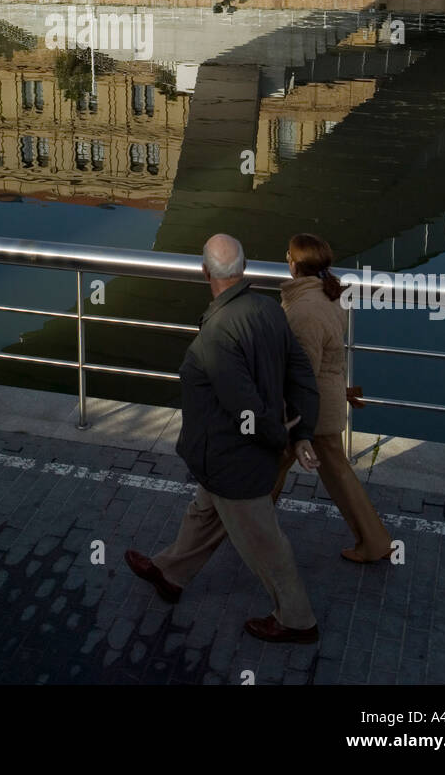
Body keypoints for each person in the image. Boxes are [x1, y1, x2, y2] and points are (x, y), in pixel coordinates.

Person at [125, 233, 322, 644]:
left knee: (264, 543)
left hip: (232, 459)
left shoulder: (216, 335)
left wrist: (279, 438)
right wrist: (301, 432)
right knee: (204, 513)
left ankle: (297, 620)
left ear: (204, 272)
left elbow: (243, 407)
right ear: (244, 269)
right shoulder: (269, 309)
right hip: (228, 457)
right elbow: (300, 373)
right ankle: (170, 573)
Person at [272, 233, 392, 564]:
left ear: (294, 265)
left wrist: (293, 421)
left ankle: (249, 530)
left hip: (311, 411)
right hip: (328, 400)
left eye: (287, 256)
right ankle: (375, 541)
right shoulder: (330, 295)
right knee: (305, 469)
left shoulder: (303, 312)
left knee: (277, 468)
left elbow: (302, 374)